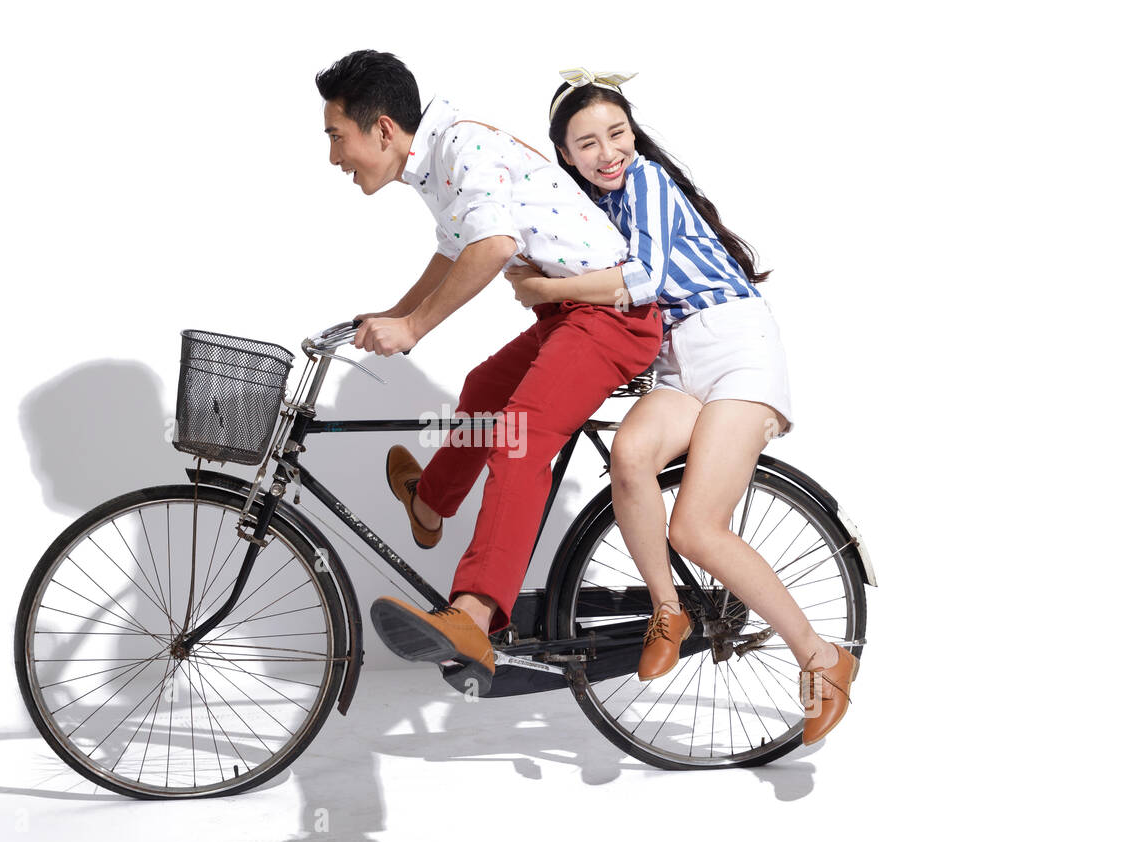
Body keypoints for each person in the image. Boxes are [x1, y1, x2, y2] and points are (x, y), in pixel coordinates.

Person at [503, 68, 855, 745]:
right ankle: (670, 611)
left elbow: (645, 279)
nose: (609, 153)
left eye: (617, 134)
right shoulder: (589, 213)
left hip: (734, 347)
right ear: (566, 156)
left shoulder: (646, 182)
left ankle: (820, 656)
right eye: (588, 144)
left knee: (695, 529)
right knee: (631, 460)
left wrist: (546, 290)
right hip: (675, 364)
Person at [315, 51, 664, 696]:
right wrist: (397, 312)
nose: (336, 156)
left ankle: (474, 616)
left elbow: (494, 246)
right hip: (569, 314)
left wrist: (415, 328)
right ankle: (430, 503)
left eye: (338, 136)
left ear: (383, 131)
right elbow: (455, 248)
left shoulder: (462, 148)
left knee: (517, 437)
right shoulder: (438, 163)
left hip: (612, 317)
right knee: (482, 389)